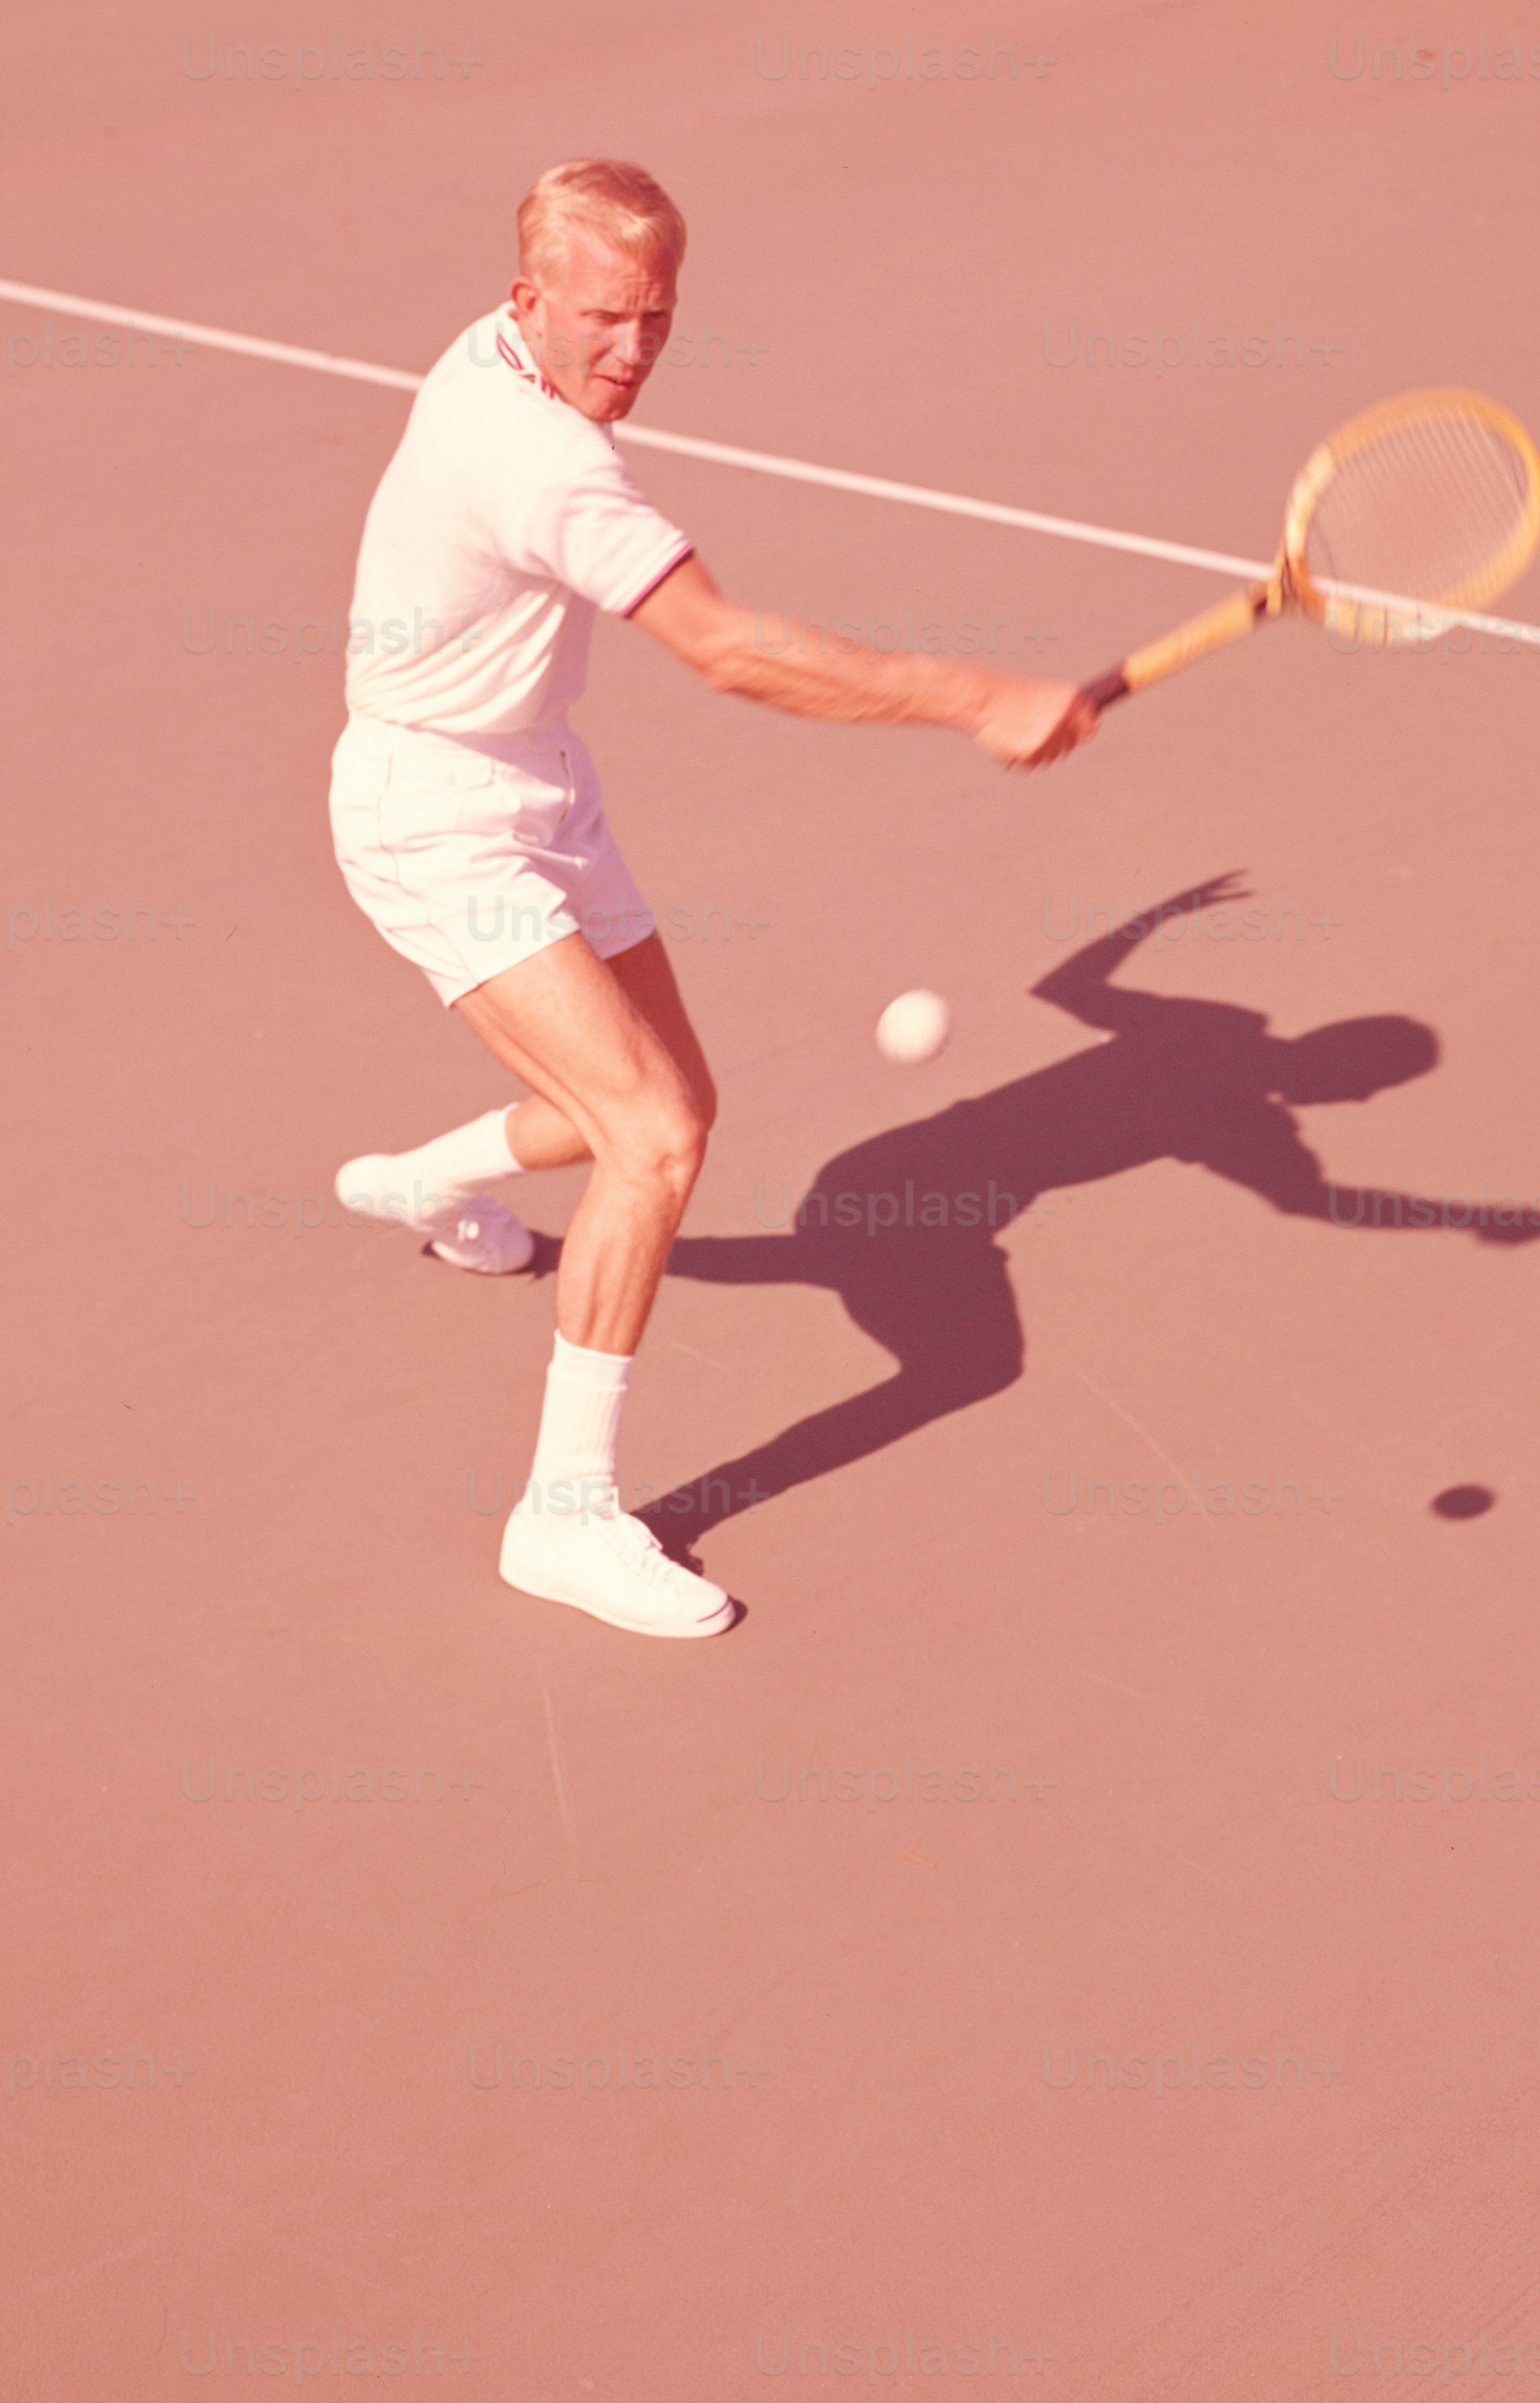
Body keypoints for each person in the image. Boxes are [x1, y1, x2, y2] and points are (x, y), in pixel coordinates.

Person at [326, 158, 1095, 1641]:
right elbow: (730, 652)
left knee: (667, 1095)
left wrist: (1115, 969)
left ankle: (431, 1180)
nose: (630, 352)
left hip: (540, 780)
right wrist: (976, 693)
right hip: (433, 818)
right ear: (524, 304)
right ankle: (559, 1518)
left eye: (657, 320)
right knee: (653, 1136)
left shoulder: (499, 360)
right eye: (602, 319)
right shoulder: (540, 462)